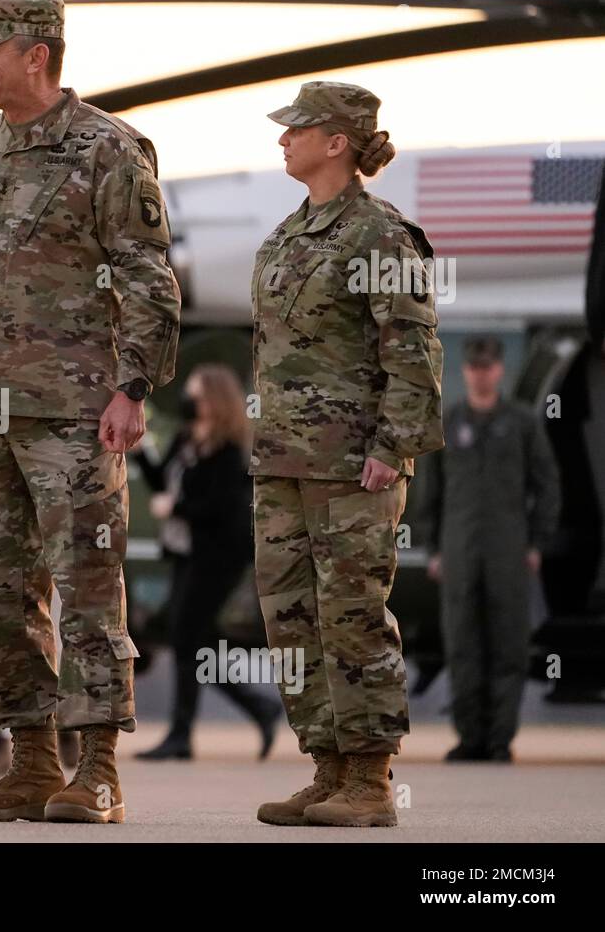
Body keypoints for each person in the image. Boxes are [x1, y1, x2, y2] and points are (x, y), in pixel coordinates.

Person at [0, 0, 181, 824]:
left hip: (77, 413)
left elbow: (148, 282)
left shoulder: (109, 151)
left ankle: (97, 771)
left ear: (37, 54)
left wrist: (135, 387)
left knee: (87, 589)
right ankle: (29, 761)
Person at [250, 82, 444, 827]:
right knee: (291, 621)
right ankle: (327, 770)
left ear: (337, 142)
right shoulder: (286, 236)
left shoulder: (380, 234)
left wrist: (394, 446)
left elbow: (415, 351)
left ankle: (370, 780)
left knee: (353, 617)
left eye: (297, 130)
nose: (283, 140)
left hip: (353, 466)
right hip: (281, 466)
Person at [421, 336, 560, 762]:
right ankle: (469, 737)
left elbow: (548, 485)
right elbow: (430, 492)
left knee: (508, 645)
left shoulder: (521, 422)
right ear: (466, 371)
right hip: (460, 550)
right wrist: (432, 548)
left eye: (489, 366)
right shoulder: (449, 422)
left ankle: (499, 739)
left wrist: (537, 542)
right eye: (475, 367)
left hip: (508, 550)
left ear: (499, 370)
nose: (481, 373)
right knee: (462, 644)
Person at [132, 364, 281, 761]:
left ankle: (181, 734)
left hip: (218, 555)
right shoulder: (185, 439)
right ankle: (259, 706)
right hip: (185, 552)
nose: (188, 401)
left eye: (196, 395)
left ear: (214, 401)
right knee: (195, 640)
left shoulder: (230, 450)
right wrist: (141, 452)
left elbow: (225, 510)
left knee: (185, 636)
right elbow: (163, 482)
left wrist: (176, 507)